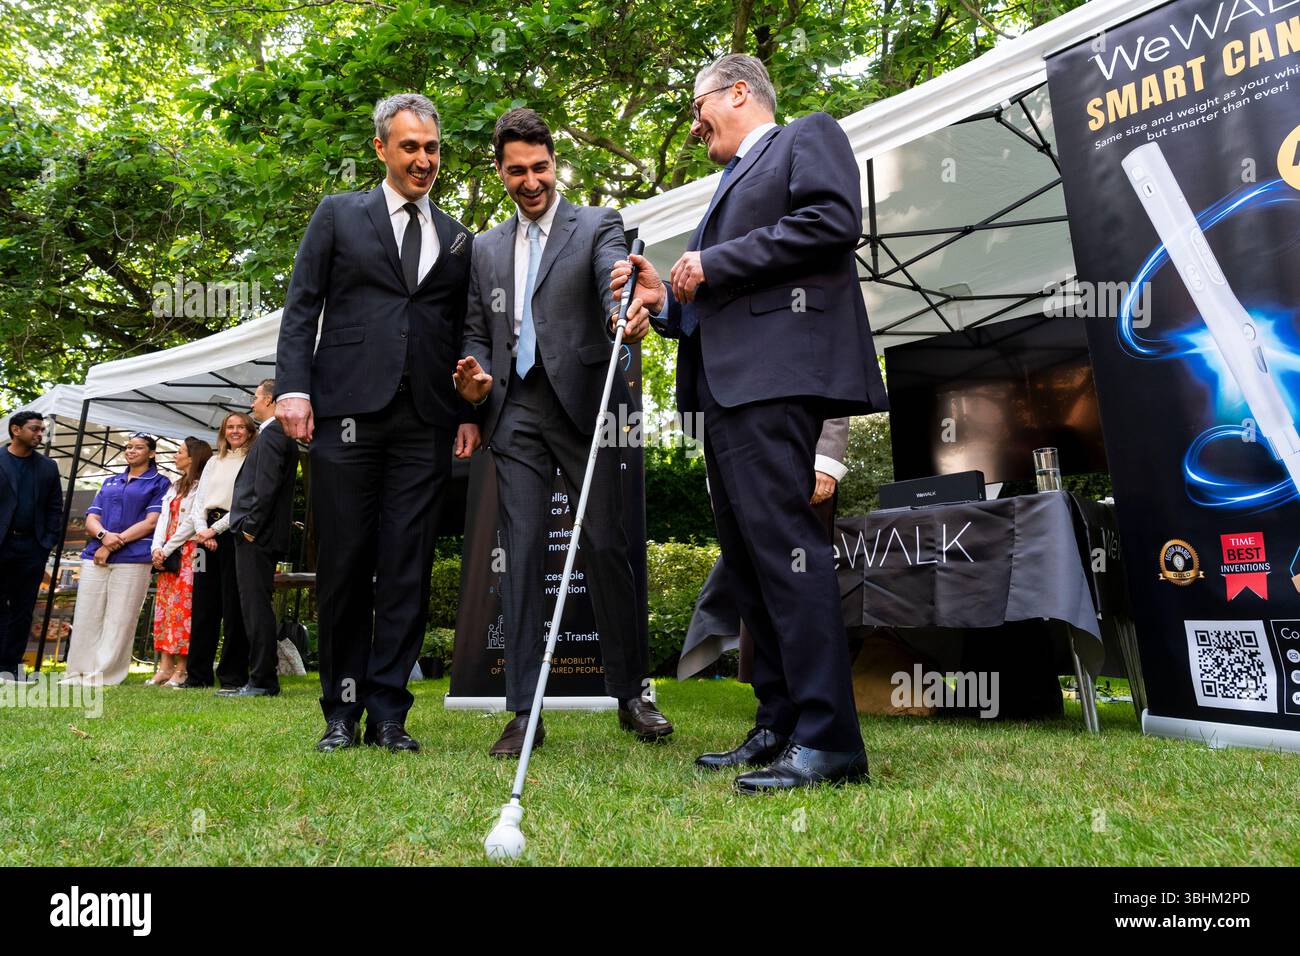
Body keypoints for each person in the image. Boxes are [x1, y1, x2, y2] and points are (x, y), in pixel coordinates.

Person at [612, 55, 888, 792]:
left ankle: (831, 742)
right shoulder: (728, 184)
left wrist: (714, 260)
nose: (694, 119)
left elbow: (833, 222)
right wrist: (664, 301)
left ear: (739, 92)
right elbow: (713, 305)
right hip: (727, 397)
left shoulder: (807, 136)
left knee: (789, 557)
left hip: (779, 385)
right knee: (751, 565)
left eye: (698, 103)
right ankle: (778, 724)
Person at [455, 108, 673, 757]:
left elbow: (615, 277)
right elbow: (474, 329)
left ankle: (632, 694)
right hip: (512, 410)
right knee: (519, 558)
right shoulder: (485, 249)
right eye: (517, 171)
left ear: (556, 164)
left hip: (580, 403)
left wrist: (623, 312)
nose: (531, 181)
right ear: (499, 172)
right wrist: (471, 382)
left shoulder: (596, 223)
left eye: (540, 168)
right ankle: (524, 712)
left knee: (605, 544)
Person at [274, 93, 478, 752]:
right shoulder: (338, 215)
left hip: (425, 424)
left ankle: (390, 714)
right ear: (382, 149)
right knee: (344, 564)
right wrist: (294, 390)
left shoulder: (457, 237)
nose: (424, 160)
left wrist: (470, 408)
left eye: (433, 148)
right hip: (344, 419)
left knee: (406, 569)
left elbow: (463, 328)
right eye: (411, 147)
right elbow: (302, 306)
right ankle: (342, 710)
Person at [680, 418, 849, 683]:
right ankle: (770, 692)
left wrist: (826, 462)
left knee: (806, 584)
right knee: (755, 583)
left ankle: (815, 686)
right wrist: (718, 482)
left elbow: (830, 386)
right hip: (745, 476)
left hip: (806, 476)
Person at [61, 434, 171, 686]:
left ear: (152, 453)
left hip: (133, 559)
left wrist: (111, 545)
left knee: (120, 618)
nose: (131, 451)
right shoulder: (111, 480)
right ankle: (76, 673)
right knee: (87, 614)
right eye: (128, 447)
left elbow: (151, 522)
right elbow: (91, 517)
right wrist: (103, 536)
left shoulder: (160, 483)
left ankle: (104, 675)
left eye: (138, 447)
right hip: (95, 555)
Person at [166, 412, 256, 690]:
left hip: (231, 534)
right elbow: (199, 501)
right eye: (230, 427)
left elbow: (246, 502)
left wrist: (214, 531)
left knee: (233, 608)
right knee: (203, 607)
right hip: (203, 539)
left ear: (250, 432)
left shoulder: (251, 461)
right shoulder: (214, 462)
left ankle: (231, 676)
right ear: (223, 432)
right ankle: (198, 675)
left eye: (241, 427)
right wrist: (203, 531)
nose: (235, 431)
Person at [223, 379, 299, 698]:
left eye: (255, 397)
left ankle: (263, 680)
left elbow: (265, 487)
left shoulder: (272, 435)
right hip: (260, 533)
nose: (251, 403)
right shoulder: (275, 434)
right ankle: (258, 677)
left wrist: (251, 526)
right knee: (253, 605)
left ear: (269, 399)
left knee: (255, 607)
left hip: (258, 535)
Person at [0, 412, 62, 683]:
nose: (40, 435)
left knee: (23, 609)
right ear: (16, 430)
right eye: (34, 429)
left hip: (32, 547)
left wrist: (46, 542)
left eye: (42, 430)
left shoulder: (48, 467)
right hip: (1, 545)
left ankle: (10, 667)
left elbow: (55, 508)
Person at [148, 436, 213, 686]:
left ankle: (182, 669)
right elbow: (163, 518)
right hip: (168, 552)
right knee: (165, 608)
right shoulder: (175, 485)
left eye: (180, 451)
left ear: (193, 457)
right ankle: (165, 666)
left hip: (189, 553)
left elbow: (190, 523)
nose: (175, 456)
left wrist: (167, 547)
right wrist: (156, 547)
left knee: (184, 610)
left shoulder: (200, 487)